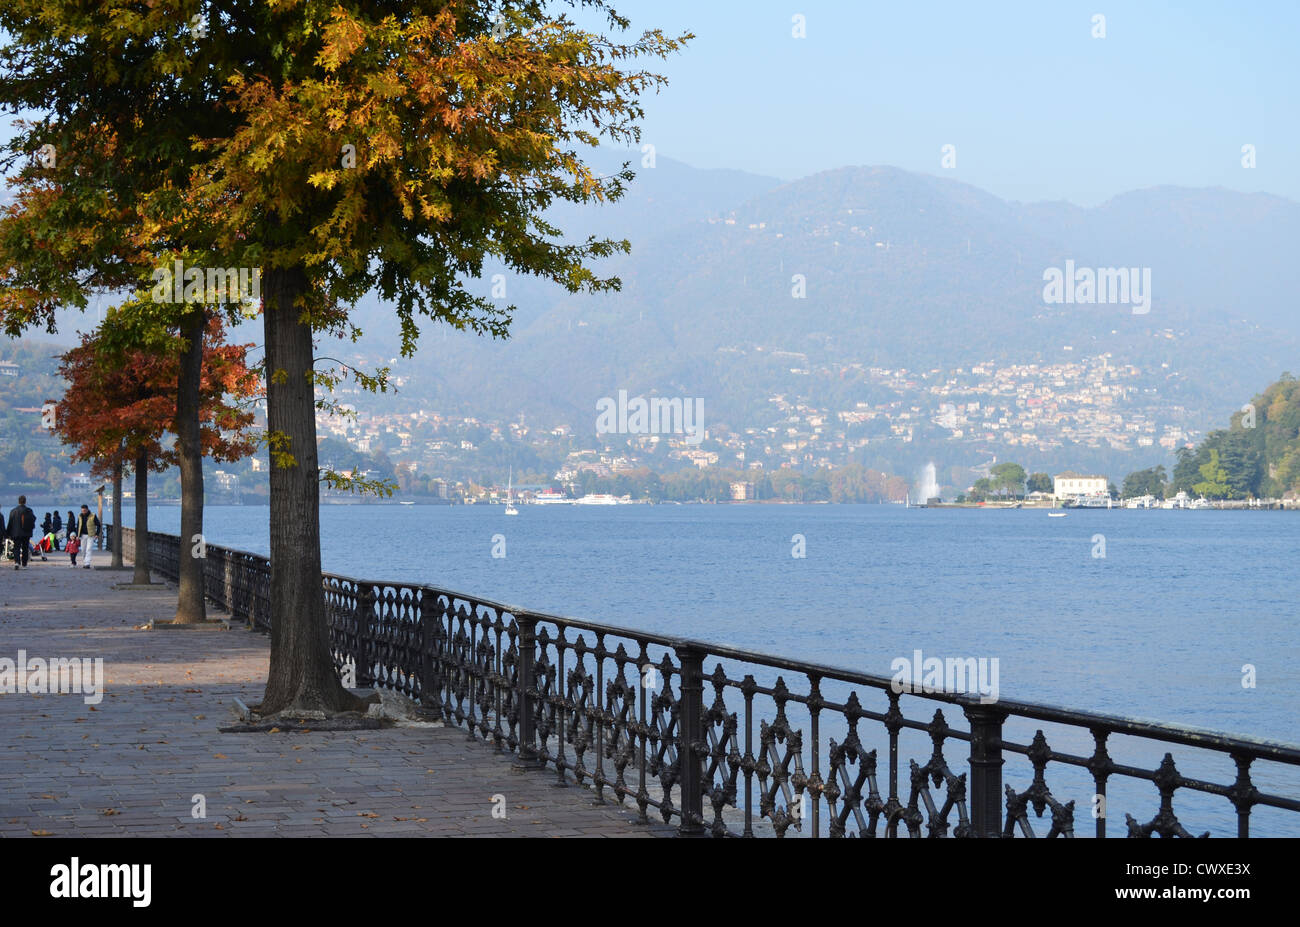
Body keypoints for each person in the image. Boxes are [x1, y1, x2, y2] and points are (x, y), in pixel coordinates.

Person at [7, 495, 36, 570]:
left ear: (18, 501)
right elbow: (33, 519)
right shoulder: (29, 510)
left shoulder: (13, 511)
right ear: (25, 501)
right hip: (26, 533)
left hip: (16, 533)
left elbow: (10, 523)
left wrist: (8, 533)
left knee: (16, 548)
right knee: (25, 548)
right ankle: (24, 564)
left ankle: (17, 562)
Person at [76, 504, 100, 569]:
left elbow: (98, 525)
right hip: (82, 535)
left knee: (88, 549)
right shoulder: (80, 516)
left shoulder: (93, 516)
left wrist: (97, 534)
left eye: (84, 510)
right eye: (82, 511)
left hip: (90, 535)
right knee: (83, 550)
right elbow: (78, 526)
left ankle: (87, 563)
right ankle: (85, 561)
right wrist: (77, 535)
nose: (83, 512)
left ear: (87, 510)